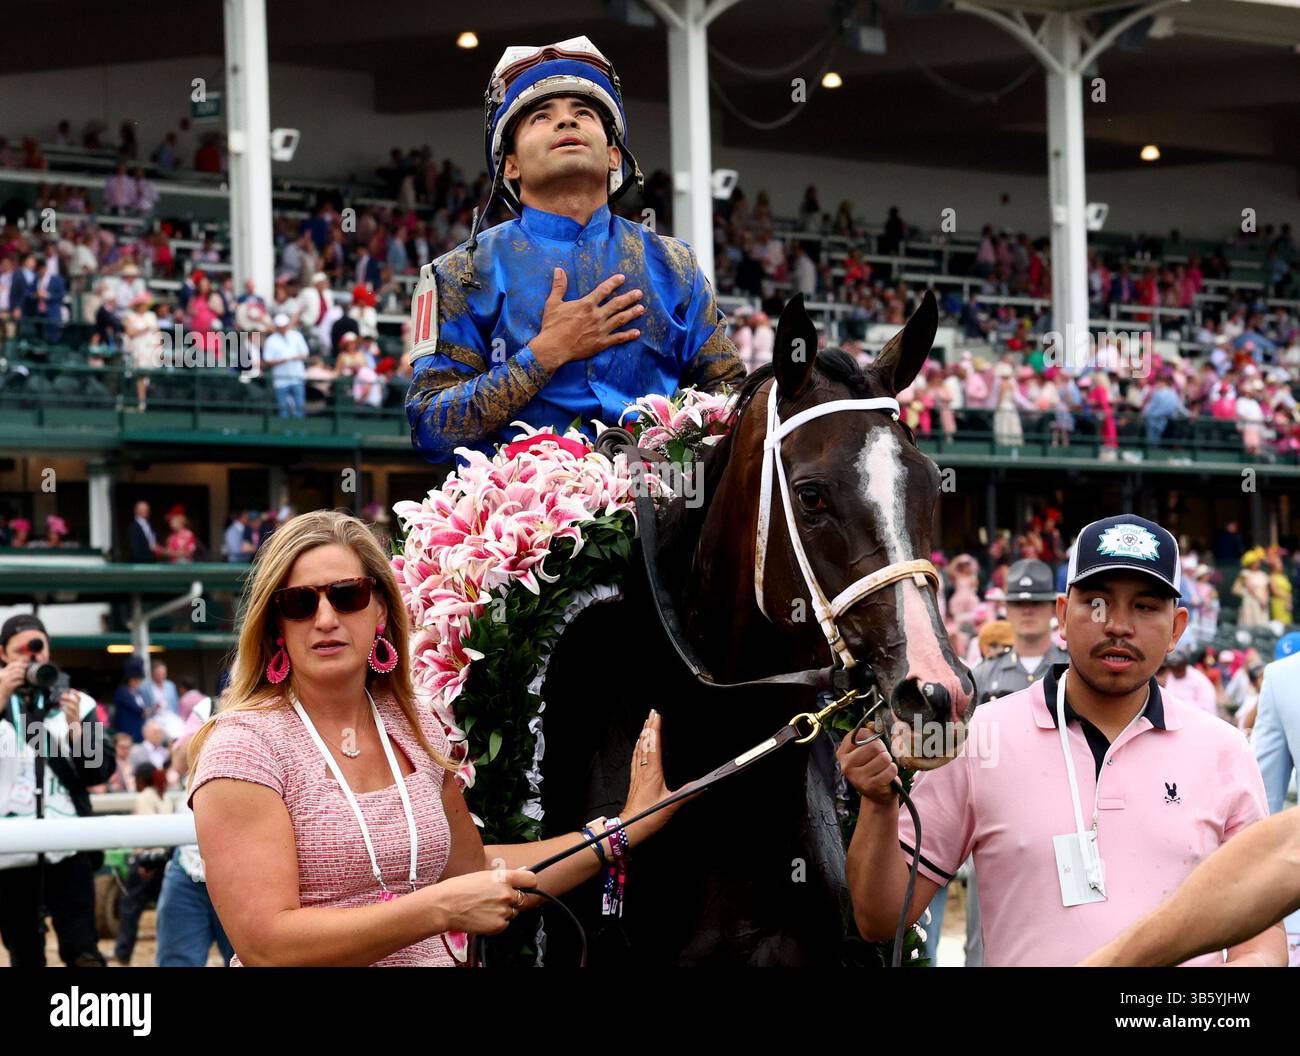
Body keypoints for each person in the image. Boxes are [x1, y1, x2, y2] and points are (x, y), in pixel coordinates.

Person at [187, 510, 688, 965]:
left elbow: (476, 872)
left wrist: (622, 829)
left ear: (380, 608)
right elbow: (266, 946)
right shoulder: (243, 747)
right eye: (298, 603)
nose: (325, 619)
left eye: (347, 595)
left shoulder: (417, 726)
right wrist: (438, 910)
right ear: (276, 624)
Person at [839, 514, 1284, 966]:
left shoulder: (1224, 751)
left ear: (1177, 628)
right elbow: (881, 917)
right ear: (1062, 616)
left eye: (1146, 607)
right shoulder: (980, 741)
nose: (1118, 625)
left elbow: (1262, 942)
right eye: (1095, 602)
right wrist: (878, 803)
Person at [406, 36, 744, 467]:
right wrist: (545, 354)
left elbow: (730, 403)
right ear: (510, 165)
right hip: (519, 521)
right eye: (542, 117)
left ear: (613, 155)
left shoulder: (679, 266)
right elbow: (429, 424)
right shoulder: (459, 273)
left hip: (672, 511)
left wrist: (666, 456)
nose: (566, 123)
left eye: (582, 113)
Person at [963, 558, 1070, 965]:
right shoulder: (982, 676)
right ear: (1006, 608)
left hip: (1065, 814)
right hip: (997, 815)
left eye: (1038, 603)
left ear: (1054, 609)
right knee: (983, 932)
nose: (1028, 612)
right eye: (1019, 603)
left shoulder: (1073, 671)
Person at [0, 614, 116, 967]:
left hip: (68, 845)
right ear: (3, 654)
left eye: (39, 648)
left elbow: (99, 770)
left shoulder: (77, 701)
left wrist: (78, 730)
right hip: (12, 849)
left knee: (83, 954)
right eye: (22, 651)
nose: (32, 658)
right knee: (25, 954)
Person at [155, 698, 235, 966]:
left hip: (247, 869)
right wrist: (226, 719)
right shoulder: (209, 706)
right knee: (177, 960)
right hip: (189, 864)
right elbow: (179, 762)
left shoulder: (279, 706)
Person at [112, 762, 173, 965]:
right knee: (165, 908)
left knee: (130, 908)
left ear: (142, 779)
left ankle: (123, 953)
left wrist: (145, 864)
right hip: (164, 859)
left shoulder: (145, 797)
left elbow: (148, 830)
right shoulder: (164, 797)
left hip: (146, 860)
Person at [262, 313, 309, 418]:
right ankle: (284, 432)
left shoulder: (297, 336)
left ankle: (299, 432)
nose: (283, 329)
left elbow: (305, 353)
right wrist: (281, 361)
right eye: (280, 327)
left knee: (299, 407)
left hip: (297, 376)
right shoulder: (271, 340)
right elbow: (267, 360)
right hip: (280, 380)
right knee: (282, 409)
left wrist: (293, 357)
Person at [1158, 648, 1217, 716]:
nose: (1176, 670)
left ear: (1185, 664)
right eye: (1173, 667)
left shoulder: (1199, 680)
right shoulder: (1170, 678)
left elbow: (1207, 708)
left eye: (1178, 667)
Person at [113, 658, 149, 743]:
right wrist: (143, 711)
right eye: (136, 680)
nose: (138, 683)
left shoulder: (138, 692)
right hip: (127, 730)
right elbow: (136, 708)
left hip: (139, 730)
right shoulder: (123, 691)